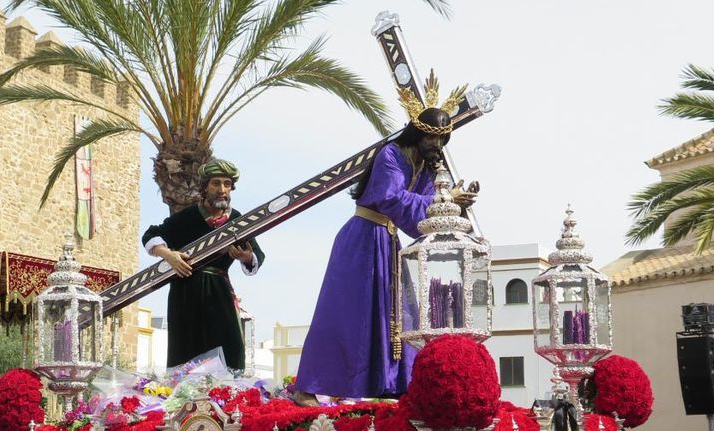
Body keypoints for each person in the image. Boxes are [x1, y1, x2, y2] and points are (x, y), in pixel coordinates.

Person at [293, 100, 478, 405]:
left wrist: (454, 202)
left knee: (396, 315)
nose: (437, 144)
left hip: (390, 243)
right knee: (346, 313)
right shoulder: (390, 155)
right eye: (432, 137)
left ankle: (388, 385)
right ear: (417, 133)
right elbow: (389, 197)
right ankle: (308, 386)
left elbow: (425, 216)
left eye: (442, 139)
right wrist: (444, 198)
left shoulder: (427, 168)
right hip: (363, 238)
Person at [142, 158, 263, 371]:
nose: (222, 189)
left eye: (226, 184)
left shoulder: (236, 220)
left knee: (230, 351)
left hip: (220, 294)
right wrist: (168, 255)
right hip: (185, 295)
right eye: (216, 183)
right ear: (205, 187)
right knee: (187, 355)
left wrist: (245, 256)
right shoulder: (187, 217)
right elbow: (151, 235)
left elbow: (256, 256)